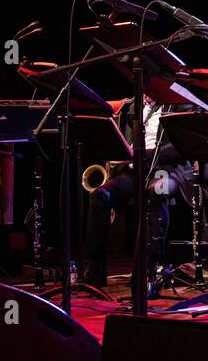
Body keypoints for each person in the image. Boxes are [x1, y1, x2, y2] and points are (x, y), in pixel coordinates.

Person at [82, 95, 193, 288]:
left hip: (167, 169)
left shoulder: (179, 103)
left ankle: (149, 269)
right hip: (135, 170)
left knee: (155, 192)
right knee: (99, 195)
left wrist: (139, 154)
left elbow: (180, 148)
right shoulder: (133, 107)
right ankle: (95, 269)